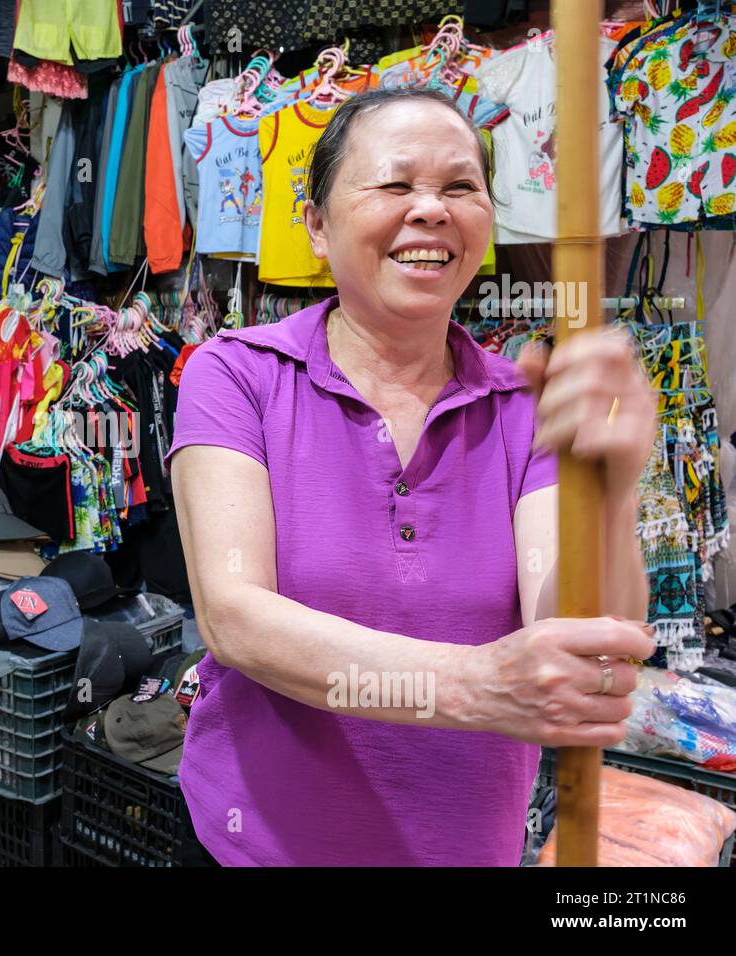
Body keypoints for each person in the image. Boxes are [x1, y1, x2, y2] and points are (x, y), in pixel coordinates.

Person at [168, 87, 658, 867]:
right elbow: (235, 618)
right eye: (396, 185)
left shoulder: (523, 405)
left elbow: (577, 634)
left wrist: (614, 490)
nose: (431, 210)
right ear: (317, 225)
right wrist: (472, 684)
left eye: (461, 187)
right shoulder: (239, 375)